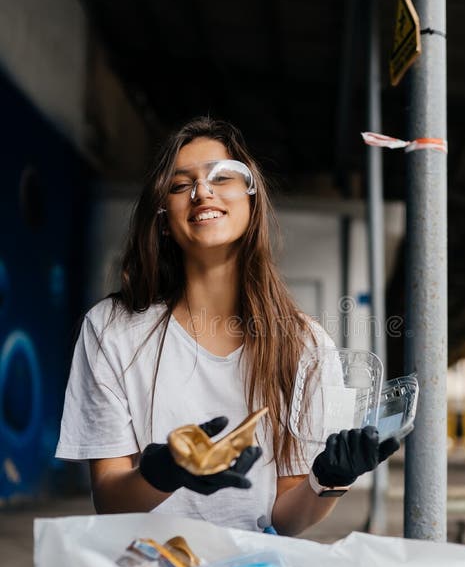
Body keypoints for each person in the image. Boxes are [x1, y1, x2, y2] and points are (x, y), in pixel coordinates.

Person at [55, 116, 398, 536]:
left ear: (252, 200)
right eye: (180, 185)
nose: (202, 191)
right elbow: (110, 501)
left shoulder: (304, 344)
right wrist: (162, 475)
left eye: (222, 177)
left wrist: (329, 479)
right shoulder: (110, 329)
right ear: (163, 218)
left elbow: (284, 520)